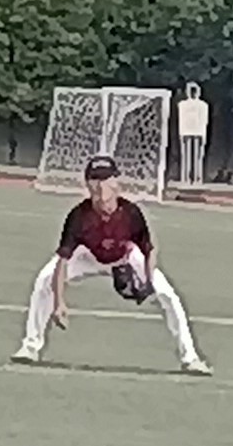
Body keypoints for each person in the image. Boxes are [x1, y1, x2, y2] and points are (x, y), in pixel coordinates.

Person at [13, 155, 211, 375]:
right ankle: (30, 347)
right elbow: (63, 260)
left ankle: (191, 358)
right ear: (87, 184)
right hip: (88, 256)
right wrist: (59, 303)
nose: (101, 185)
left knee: (168, 295)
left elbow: (149, 250)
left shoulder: (131, 213)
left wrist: (148, 280)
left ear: (116, 182)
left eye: (106, 178)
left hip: (125, 255)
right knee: (44, 280)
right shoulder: (79, 216)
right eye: (95, 179)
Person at [175, 84, 210, 190]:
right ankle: (193, 178)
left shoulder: (184, 105)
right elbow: (204, 120)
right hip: (193, 131)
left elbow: (204, 120)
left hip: (191, 131)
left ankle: (190, 178)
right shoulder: (201, 105)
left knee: (190, 156)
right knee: (194, 157)